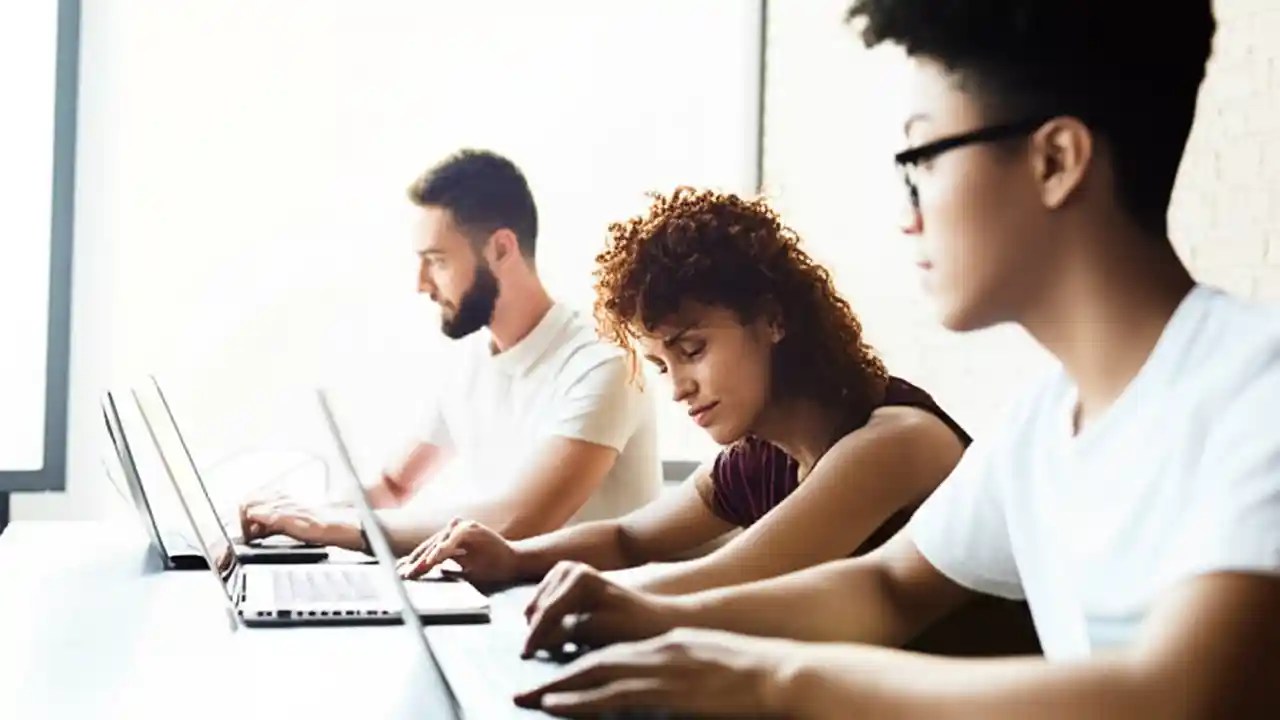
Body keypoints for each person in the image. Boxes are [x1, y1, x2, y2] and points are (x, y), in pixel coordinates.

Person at [512, 2, 1280, 718]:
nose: (907, 217)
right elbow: (886, 585)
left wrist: (768, 675)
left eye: (922, 160)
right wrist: (656, 615)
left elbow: (1173, 695)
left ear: (1055, 160)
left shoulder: (1257, 389)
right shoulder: (1043, 427)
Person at [399, 187, 1035, 654]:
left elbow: (737, 574)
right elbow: (630, 538)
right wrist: (512, 558)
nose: (678, 387)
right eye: (659, 362)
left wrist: (611, 598)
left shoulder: (895, 440)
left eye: (693, 349)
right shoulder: (762, 455)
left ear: (773, 319)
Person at [240, 149, 661, 555]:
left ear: (501, 248)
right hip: (513, 605)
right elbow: (394, 487)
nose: (422, 284)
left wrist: (337, 528)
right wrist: (293, 520)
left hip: (594, 622)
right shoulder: (472, 364)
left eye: (437, 261)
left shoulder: (602, 365)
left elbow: (519, 522)